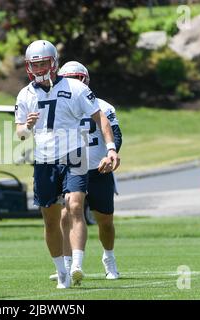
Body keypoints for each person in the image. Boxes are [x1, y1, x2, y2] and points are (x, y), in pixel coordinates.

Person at [15, 40, 120, 289]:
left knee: (75, 206)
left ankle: (77, 265)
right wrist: (27, 127)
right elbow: (19, 134)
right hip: (44, 161)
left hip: (73, 156)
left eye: (43, 63)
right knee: (51, 219)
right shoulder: (25, 94)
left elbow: (100, 117)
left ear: (54, 63)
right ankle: (61, 271)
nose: (39, 69)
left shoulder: (75, 88)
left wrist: (111, 148)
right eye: (35, 64)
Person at [49, 61, 122, 281]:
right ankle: (69, 266)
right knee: (66, 214)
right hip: (72, 167)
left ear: (85, 80)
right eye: (69, 79)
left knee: (105, 221)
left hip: (98, 170)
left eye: (77, 79)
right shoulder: (58, 105)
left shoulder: (103, 106)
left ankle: (108, 258)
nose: (73, 84)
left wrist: (110, 154)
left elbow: (116, 135)